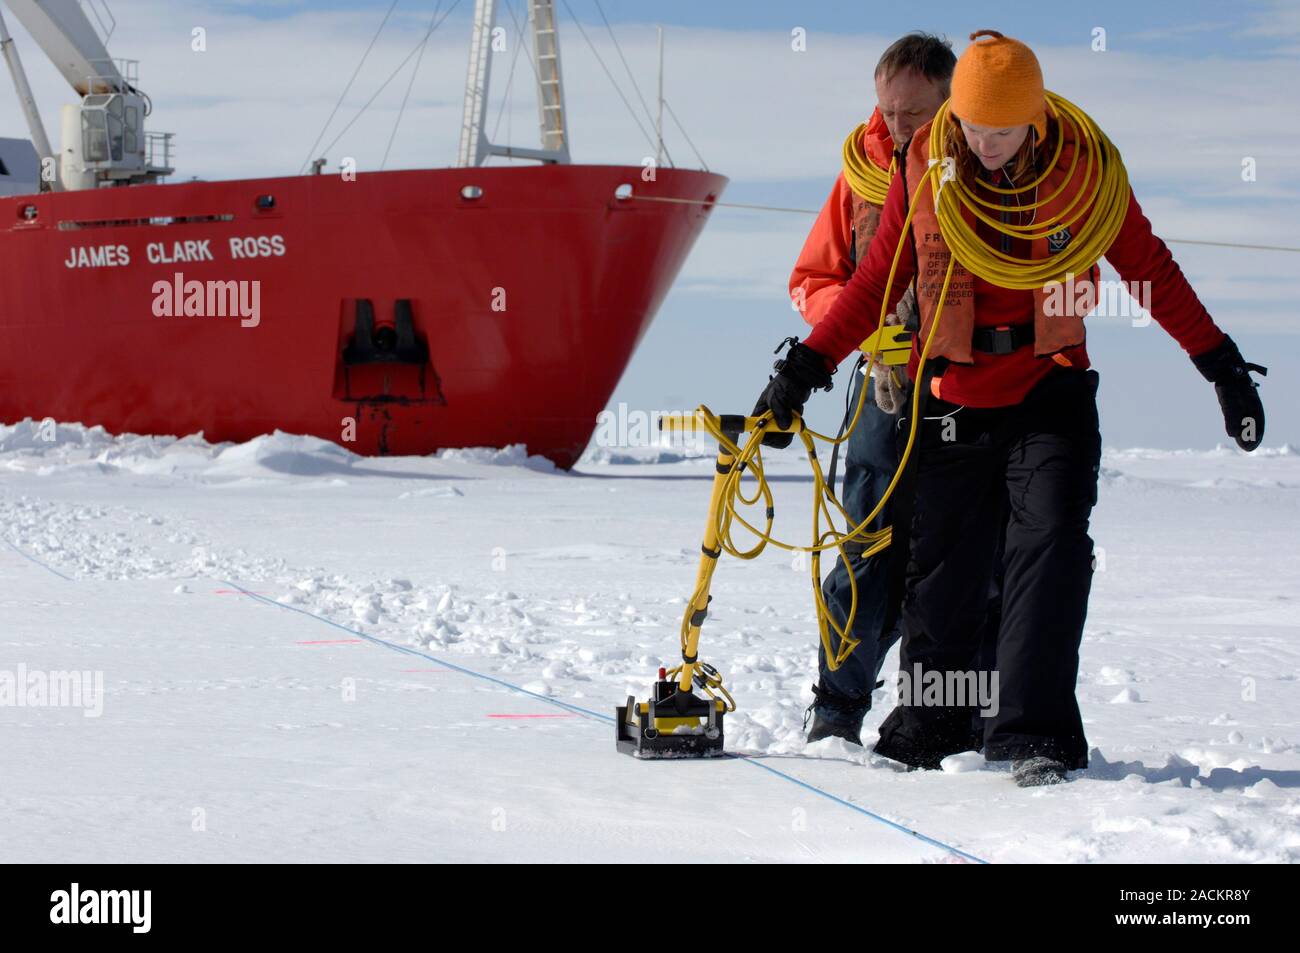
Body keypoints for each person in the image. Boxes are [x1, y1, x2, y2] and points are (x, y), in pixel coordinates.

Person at [754, 30, 1266, 786]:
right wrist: (804, 369)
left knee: (1047, 546)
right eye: (973, 129)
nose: (986, 146)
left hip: (1048, 388)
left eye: (1003, 132)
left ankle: (1033, 736)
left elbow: (1151, 270)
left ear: (1035, 120)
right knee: (943, 578)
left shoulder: (1085, 175)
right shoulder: (926, 164)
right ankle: (931, 726)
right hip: (956, 392)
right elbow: (871, 282)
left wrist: (1219, 365)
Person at [785, 33, 960, 746]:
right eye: (888, 112)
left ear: (954, 106)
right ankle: (836, 709)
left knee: (961, 556)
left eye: (915, 116)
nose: (897, 129)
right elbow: (812, 280)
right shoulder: (858, 176)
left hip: (966, 394)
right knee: (865, 547)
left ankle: (949, 717)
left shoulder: (981, 171)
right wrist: (860, 331)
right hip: (882, 393)